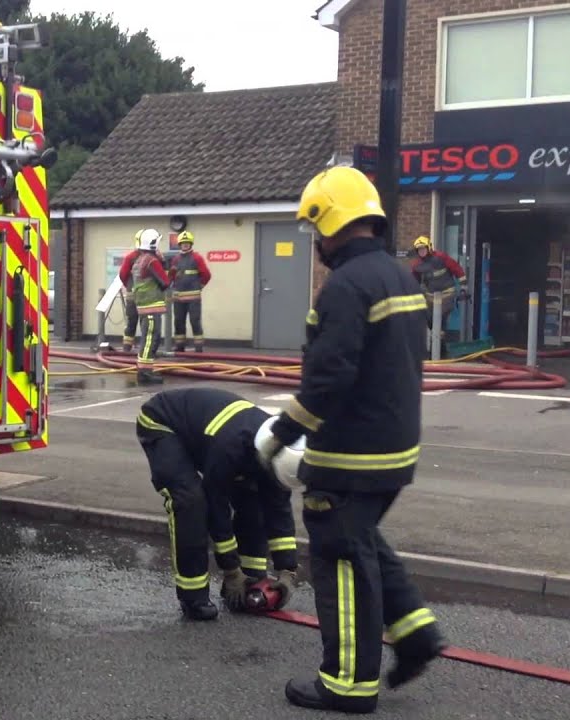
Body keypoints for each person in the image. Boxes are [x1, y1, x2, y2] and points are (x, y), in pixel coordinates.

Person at [255, 166, 446, 714]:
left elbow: (329, 375)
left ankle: (347, 683)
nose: (315, 243)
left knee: (339, 556)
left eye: (316, 229)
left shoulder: (344, 287)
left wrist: (281, 432)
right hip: (395, 448)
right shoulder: (398, 276)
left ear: (332, 223)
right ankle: (415, 632)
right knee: (361, 539)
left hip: (351, 453)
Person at [135, 387, 303, 620]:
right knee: (191, 502)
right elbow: (217, 506)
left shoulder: (279, 446)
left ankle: (250, 578)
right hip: (163, 422)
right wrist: (231, 570)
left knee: (255, 499)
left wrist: (288, 570)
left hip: (208, 433)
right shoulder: (231, 447)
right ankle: (193, 597)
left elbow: (278, 509)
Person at [119, 228, 171, 384]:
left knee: (147, 337)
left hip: (143, 305)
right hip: (151, 305)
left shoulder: (140, 259)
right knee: (150, 338)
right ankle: (144, 372)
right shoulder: (152, 261)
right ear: (153, 244)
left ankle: (145, 368)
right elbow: (165, 282)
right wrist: (165, 264)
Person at [409, 235, 466, 334]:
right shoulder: (416, 265)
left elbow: (457, 269)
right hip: (430, 296)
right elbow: (414, 281)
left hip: (447, 294)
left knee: (440, 317)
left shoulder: (441, 257)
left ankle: (440, 344)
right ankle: (437, 343)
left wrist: (463, 288)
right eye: (419, 249)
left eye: (423, 248)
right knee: (429, 320)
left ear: (429, 248)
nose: (421, 251)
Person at [168, 231, 213, 353]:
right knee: (178, 322)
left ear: (191, 244)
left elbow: (206, 275)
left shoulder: (197, 257)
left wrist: (199, 286)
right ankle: (179, 346)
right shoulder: (176, 259)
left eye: (187, 243)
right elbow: (171, 276)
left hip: (193, 298)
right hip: (178, 298)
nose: (185, 245)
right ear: (179, 244)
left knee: (195, 321)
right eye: (183, 243)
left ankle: (198, 347)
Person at [117, 235, 142, 352]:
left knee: (134, 322)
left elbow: (123, 275)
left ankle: (128, 348)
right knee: (135, 321)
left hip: (136, 296)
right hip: (138, 297)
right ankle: (128, 347)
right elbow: (123, 274)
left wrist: (129, 286)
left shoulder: (132, 257)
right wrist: (129, 286)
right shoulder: (131, 257)